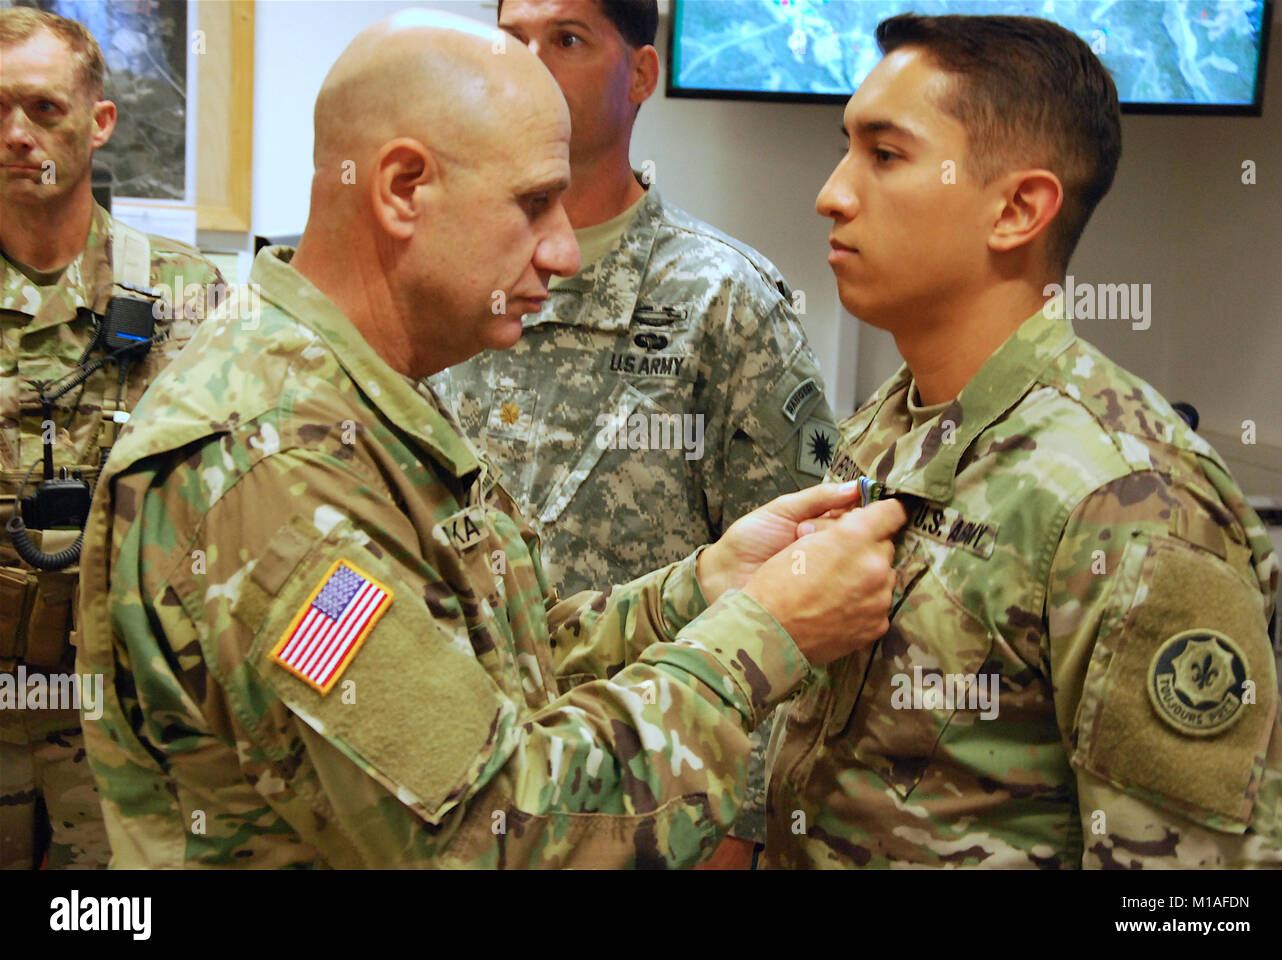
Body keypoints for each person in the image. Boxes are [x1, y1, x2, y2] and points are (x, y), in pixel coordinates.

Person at [75, 10, 904, 869]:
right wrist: (768, 636)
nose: (563, 252)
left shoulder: (355, 391)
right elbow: (491, 829)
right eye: (534, 204)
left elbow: (494, 670)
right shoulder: (273, 464)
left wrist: (706, 589)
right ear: (402, 189)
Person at [763, 13, 1282, 868]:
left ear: (1016, 209)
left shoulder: (1132, 497)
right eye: (846, 147)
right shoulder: (888, 425)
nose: (833, 192)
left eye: (885, 154)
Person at [433, 0, 837, 867]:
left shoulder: (723, 298)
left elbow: (794, 584)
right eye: (512, 41)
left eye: (567, 40)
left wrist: (741, 827)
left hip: (657, 806)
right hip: (465, 799)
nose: (530, 66)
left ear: (643, 75)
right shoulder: (443, 282)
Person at [0, 7, 222, 870]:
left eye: (44, 109)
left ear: (99, 122)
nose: (17, 134)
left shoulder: (189, 296)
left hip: (123, 734)